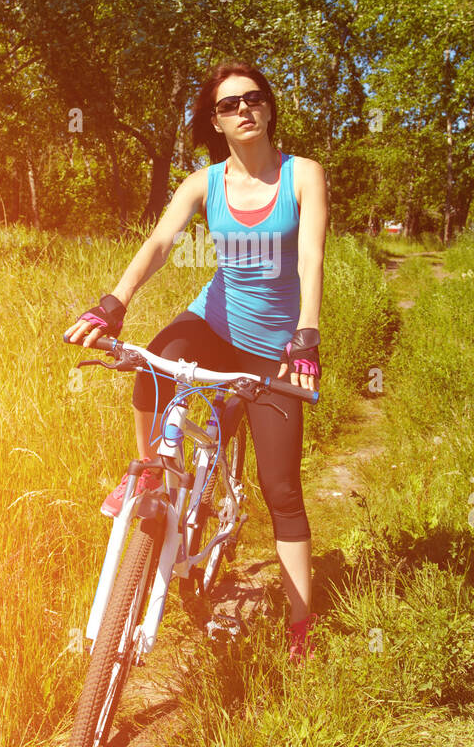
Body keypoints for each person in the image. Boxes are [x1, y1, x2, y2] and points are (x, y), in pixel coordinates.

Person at [64, 61, 328, 662]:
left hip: (278, 348)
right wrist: (114, 303)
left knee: (280, 488)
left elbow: (311, 258)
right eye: (231, 104)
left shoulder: (302, 175)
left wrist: (306, 336)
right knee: (156, 363)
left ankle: (300, 625)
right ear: (215, 119)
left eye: (254, 98)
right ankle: (153, 471)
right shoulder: (203, 183)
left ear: (268, 107)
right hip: (213, 322)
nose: (245, 109)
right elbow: (159, 243)